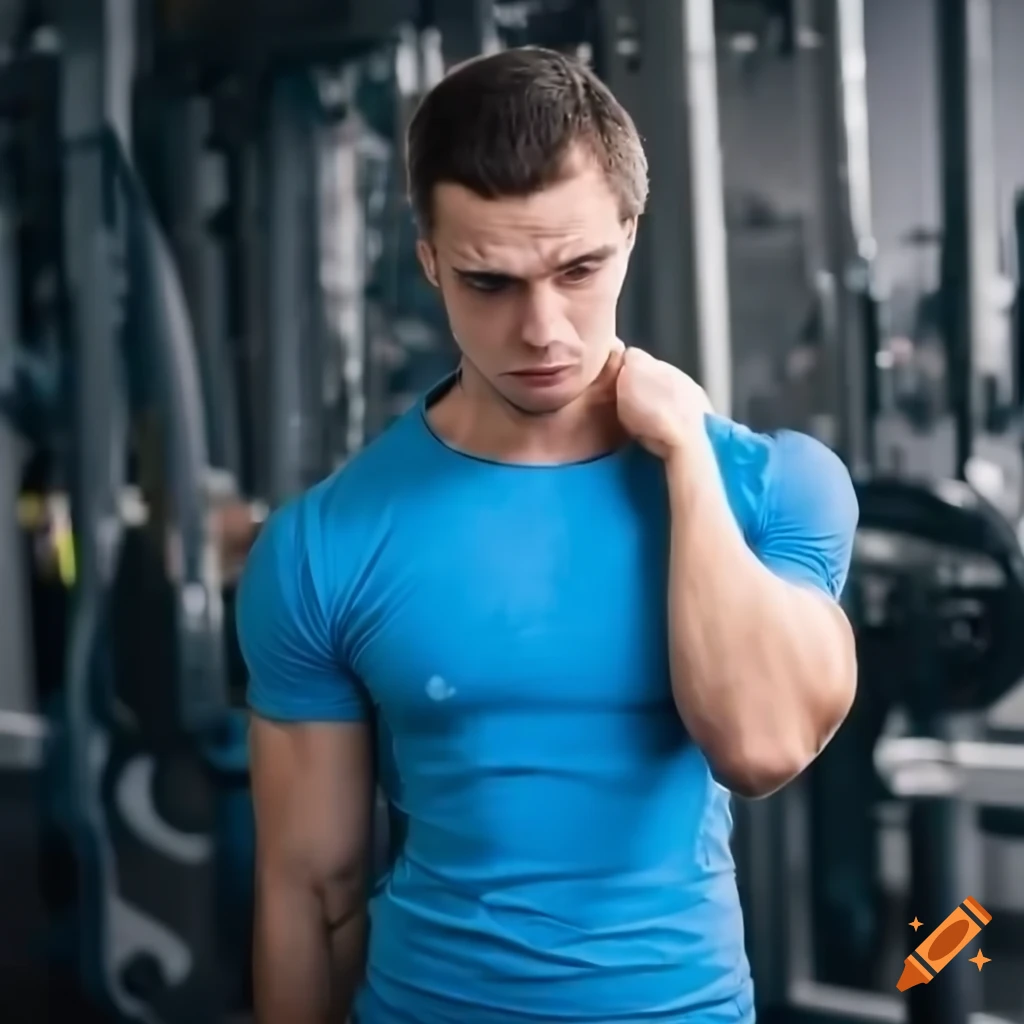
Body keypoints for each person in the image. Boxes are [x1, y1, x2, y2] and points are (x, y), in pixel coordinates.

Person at [236, 46, 860, 1024]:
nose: (542, 330)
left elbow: (760, 745)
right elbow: (310, 890)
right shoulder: (323, 544)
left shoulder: (774, 488)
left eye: (579, 270)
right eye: (489, 282)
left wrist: (684, 456)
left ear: (628, 234)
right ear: (430, 261)